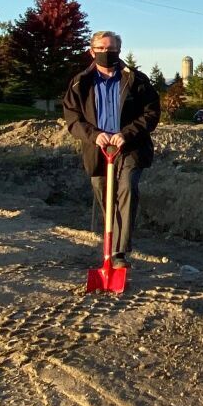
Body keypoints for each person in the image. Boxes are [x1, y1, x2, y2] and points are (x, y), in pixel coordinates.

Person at [63, 31, 160, 268]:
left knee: (127, 187)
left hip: (130, 147)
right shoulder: (80, 83)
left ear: (119, 50)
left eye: (112, 48)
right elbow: (73, 119)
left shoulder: (136, 80)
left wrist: (125, 134)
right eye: (101, 48)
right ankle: (111, 241)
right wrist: (95, 135)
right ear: (92, 51)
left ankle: (118, 252)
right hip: (97, 150)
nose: (107, 53)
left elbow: (151, 113)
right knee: (104, 193)